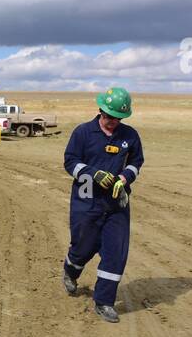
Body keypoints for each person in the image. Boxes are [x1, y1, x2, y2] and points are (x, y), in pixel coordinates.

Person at [61, 87, 143, 323]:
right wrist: (91, 173)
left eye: (118, 118)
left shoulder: (130, 136)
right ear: (100, 111)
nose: (112, 123)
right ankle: (71, 270)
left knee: (116, 251)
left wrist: (124, 177)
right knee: (83, 246)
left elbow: (137, 161)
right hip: (86, 202)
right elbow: (70, 161)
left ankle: (104, 301)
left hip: (117, 204)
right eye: (109, 117)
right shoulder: (83, 132)